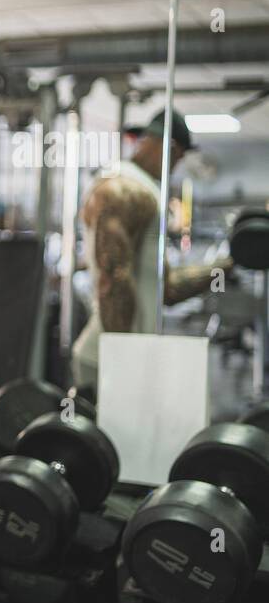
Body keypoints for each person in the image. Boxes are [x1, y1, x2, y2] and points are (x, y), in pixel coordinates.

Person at [71, 110, 232, 392]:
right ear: (169, 147)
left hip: (126, 354)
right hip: (108, 359)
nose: (176, 166)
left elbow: (165, 289)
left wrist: (228, 265)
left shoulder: (145, 191)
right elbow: (114, 279)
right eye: (179, 157)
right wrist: (124, 362)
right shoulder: (123, 189)